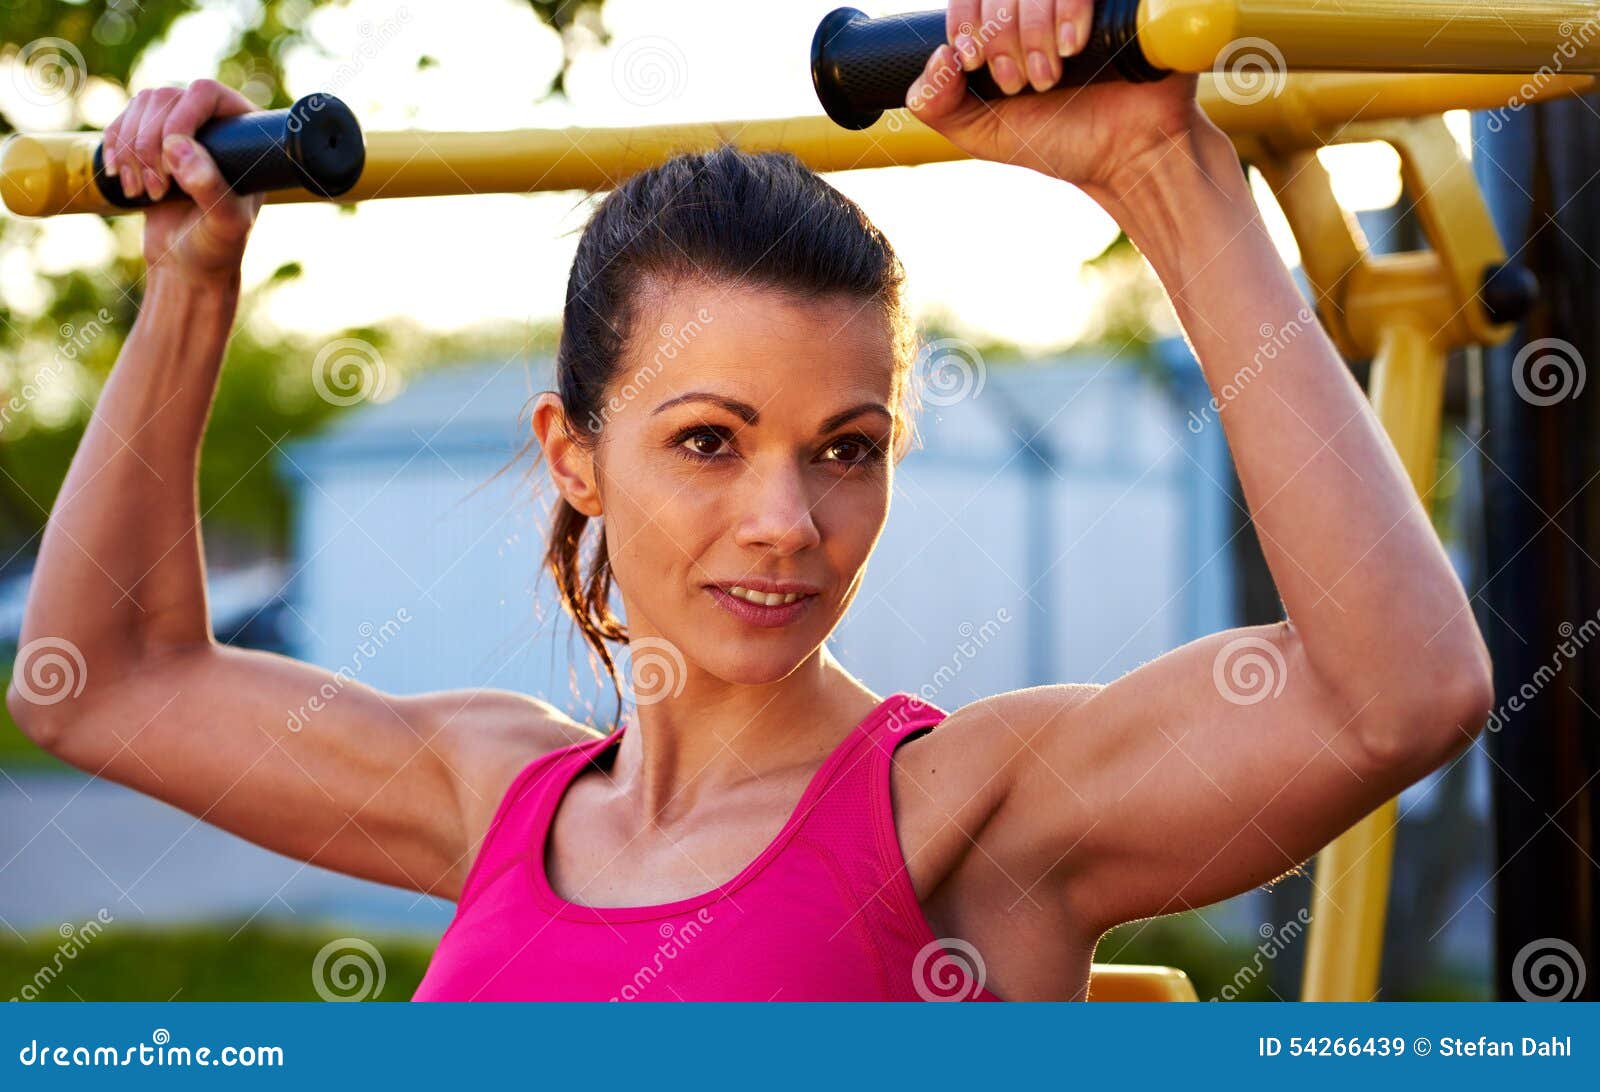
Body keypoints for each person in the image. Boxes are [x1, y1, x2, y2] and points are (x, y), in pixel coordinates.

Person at [10, 0, 1492, 1002]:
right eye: (711, 441)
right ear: (573, 453)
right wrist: (190, 282)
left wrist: (1165, 173)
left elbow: (1398, 695)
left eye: (847, 447)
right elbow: (99, 685)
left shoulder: (974, 817)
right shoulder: (490, 795)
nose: (789, 519)